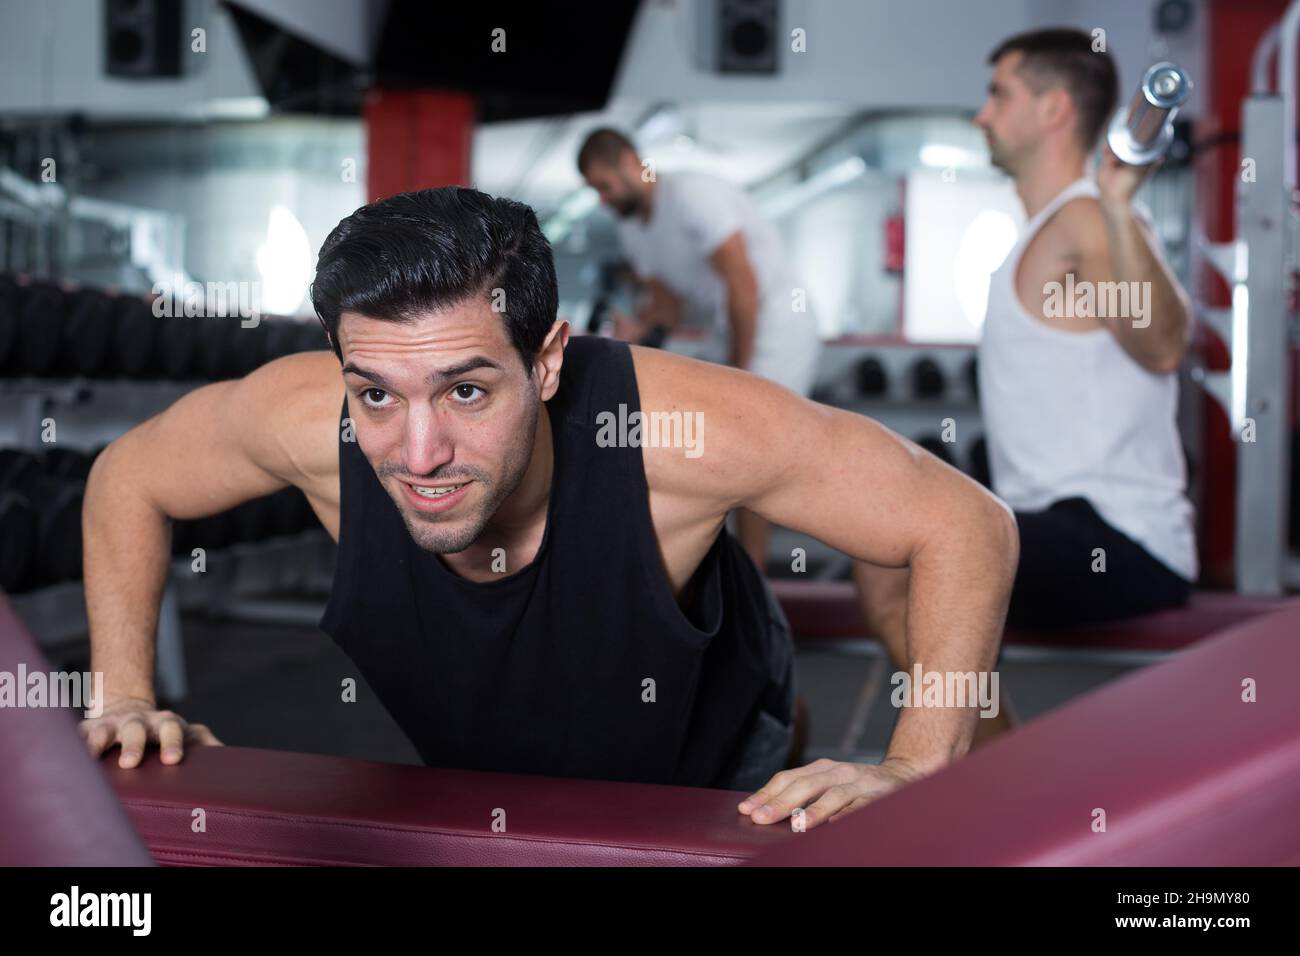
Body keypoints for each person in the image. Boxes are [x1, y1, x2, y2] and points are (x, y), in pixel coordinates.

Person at [78, 186, 1016, 831]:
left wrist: (916, 765)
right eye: (375, 395)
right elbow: (130, 476)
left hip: (707, 736)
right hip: (492, 748)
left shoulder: (690, 426)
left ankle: (792, 723)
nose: (418, 453)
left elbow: (965, 521)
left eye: (467, 391)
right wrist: (123, 694)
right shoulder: (298, 416)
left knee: (746, 737)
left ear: (548, 360)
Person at [855, 28, 1197, 740]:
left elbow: (1163, 345)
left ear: (1053, 109)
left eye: (998, 93)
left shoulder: (1086, 217)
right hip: (1054, 527)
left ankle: (995, 791)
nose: (981, 115)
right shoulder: (1049, 226)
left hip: (1121, 537)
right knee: (903, 535)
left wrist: (1115, 195)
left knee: (899, 559)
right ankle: (1004, 782)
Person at [577, 128, 821, 569]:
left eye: (604, 186)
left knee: (754, 451)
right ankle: (710, 575)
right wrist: (634, 333)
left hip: (775, 322)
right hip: (728, 328)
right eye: (594, 191)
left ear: (631, 163)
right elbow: (667, 306)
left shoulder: (691, 195)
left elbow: (742, 284)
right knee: (710, 451)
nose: (602, 200)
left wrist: (740, 377)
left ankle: (755, 581)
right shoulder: (633, 230)